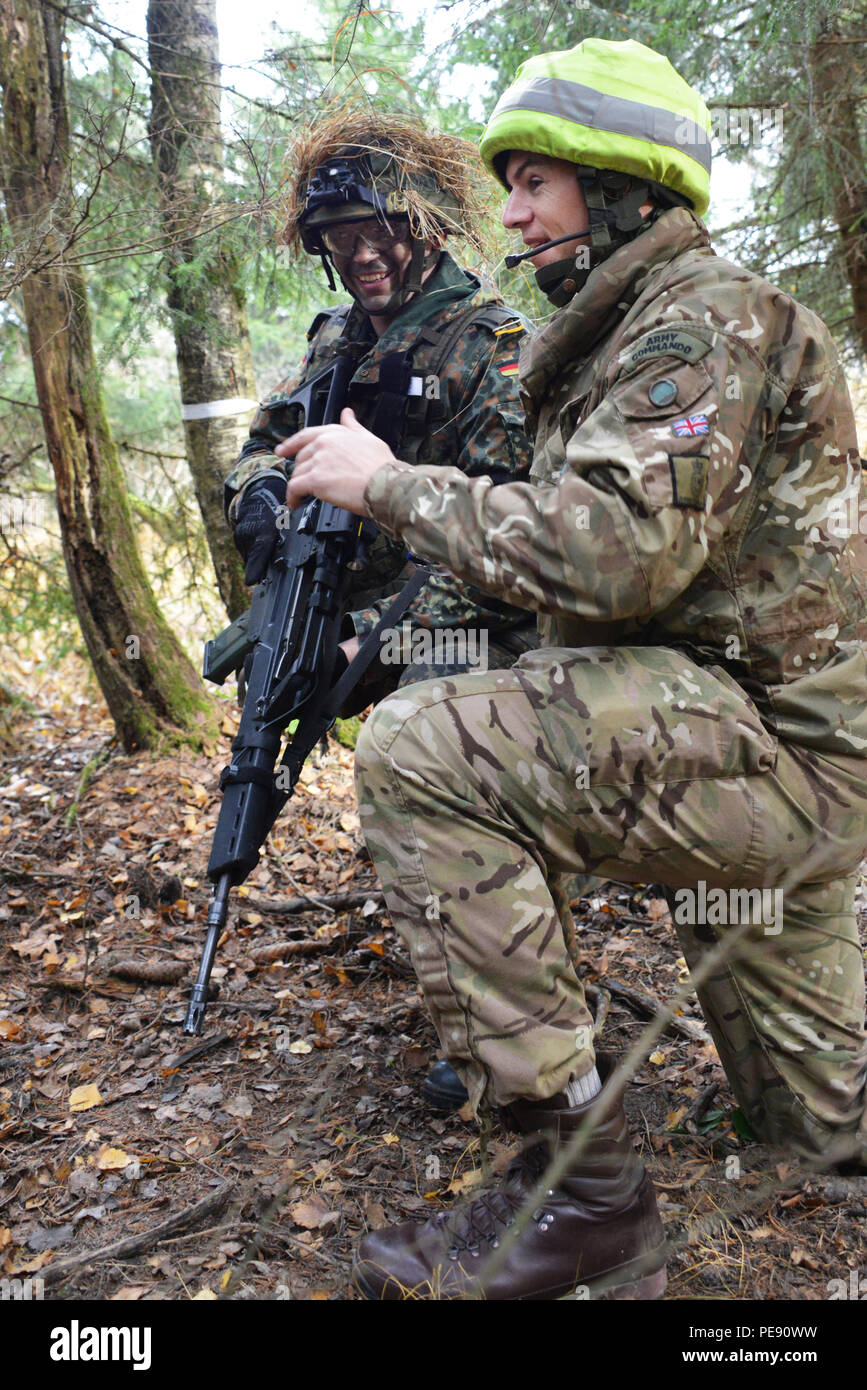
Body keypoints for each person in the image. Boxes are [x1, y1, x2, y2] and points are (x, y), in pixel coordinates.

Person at [279, 38, 867, 1301]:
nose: (510, 213)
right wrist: (383, 636)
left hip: (776, 761)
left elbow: (608, 559)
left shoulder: (706, 323)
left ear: (622, 186)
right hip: (754, 755)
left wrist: (382, 486)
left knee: (428, 750)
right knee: (826, 1136)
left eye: (534, 183)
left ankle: (586, 1192)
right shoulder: (633, 336)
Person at [226, 111, 537, 1113]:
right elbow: (261, 447)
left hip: (477, 618)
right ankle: (468, 978)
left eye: (377, 231)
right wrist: (262, 500)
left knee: (446, 762)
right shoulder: (332, 346)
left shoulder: (490, 345)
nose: (361, 254)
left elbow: (510, 535)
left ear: (428, 223)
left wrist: (375, 646)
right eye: (339, 239)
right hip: (360, 609)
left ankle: (516, 1035)